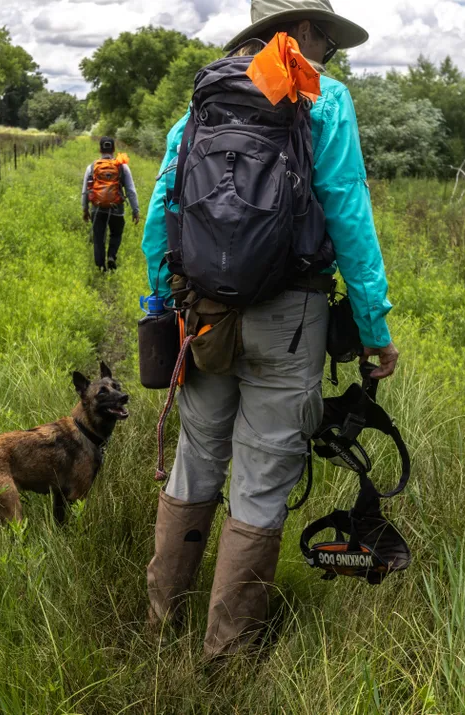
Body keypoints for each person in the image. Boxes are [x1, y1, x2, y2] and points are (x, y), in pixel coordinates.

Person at [142, 0, 399, 659]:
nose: (329, 56)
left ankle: (160, 620)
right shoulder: (326, 98)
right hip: (292, 318)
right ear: (302, 31)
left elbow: (157, 222)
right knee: (260, 480)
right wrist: (373, 329)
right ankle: (224, 658)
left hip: (204, 317)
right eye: (327, 42)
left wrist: (177, 300)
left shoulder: (206, 97)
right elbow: (349, 218)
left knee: (196, 459)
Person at [82, 137, 140, 271]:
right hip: (116, 209)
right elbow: (131, 190)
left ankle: (101, 266)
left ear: (100, 149)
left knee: (98, 237)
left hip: (97, 208)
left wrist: (85, 209)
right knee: (116, 233)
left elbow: (85, 190)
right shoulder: (122, 167)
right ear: (114, 149)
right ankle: (112, 256)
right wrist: (135, 210)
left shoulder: (92, 167)